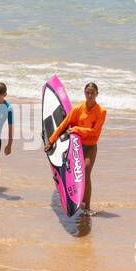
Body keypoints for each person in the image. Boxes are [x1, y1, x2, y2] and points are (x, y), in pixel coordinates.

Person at [47, 81, 107, 213]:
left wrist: (77, 129)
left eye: (92, 93)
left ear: (97, 94)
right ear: (84, 93)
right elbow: (64, 124)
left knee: (84, 172)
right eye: (88, 92)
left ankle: (87, 206)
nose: (90, 95)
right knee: (72, 174)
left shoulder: (101, 111)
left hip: (90, 147)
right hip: (76, 147)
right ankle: (75, 200)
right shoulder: (77, 109)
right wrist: (51, 140)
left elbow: (95, 132)